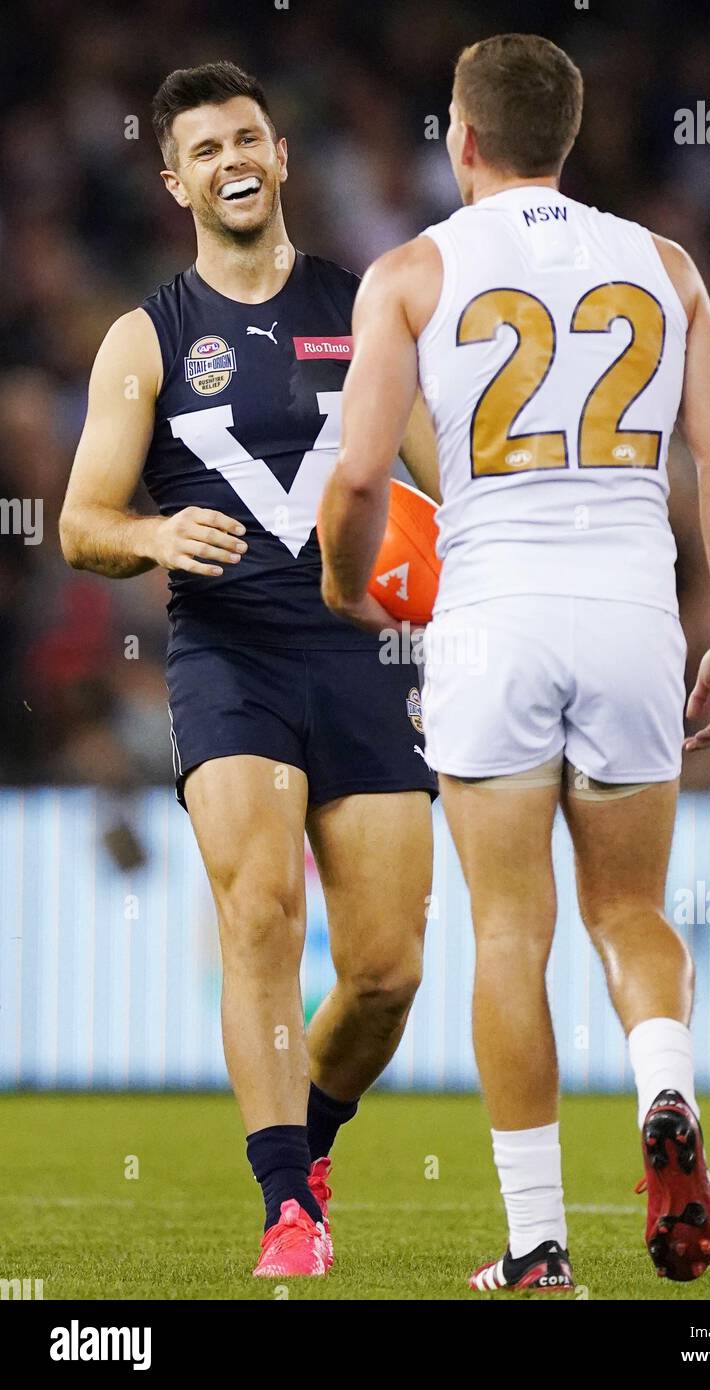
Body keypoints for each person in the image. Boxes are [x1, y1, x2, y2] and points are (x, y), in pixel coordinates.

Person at [319, 32, 710, 1291]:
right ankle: (662, 1094)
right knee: (631, 912)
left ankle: (537, 1246)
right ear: (565, 139)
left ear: (458, 135)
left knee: (509, 932)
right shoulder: (661, 264)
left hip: (493, 605)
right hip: (630, 608)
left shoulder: (409, 272)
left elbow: (360, 475)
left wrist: (349, 587)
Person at [59, 61, 438, 1279]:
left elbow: (448, 481)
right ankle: (286, 1206)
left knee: (384, 973)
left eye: (246, 140)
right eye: (203, 150)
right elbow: (77, 521)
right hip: (229, 653)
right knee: (260, 912)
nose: (229, 162)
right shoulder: (146, 335)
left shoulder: (371, 303)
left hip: (368, 653)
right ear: (176, 182)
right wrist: (157, 535)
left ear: (279, 156)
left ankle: (313, 1140)